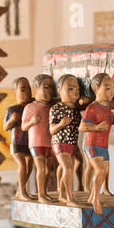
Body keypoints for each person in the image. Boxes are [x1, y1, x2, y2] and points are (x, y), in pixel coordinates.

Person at [79, 72, 114, 215]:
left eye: (112, 88)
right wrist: (96, 127)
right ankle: (95, 198)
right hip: (92, 145)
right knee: (100, 171)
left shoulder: (108, 110)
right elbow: (82, 127)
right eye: (107, 88)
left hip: (103, 147)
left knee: (104, 172)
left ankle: (93, 196)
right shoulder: (92, 108)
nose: (111, 91)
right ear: (96, 88)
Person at [21, 72, 56, 202]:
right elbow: (24, 126)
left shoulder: (51, 107)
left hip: (49, 141)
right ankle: (41, 194)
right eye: (47, 87)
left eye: (52, 88)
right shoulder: (30, 107)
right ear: (37, 87)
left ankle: (44, 192)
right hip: (36, 141)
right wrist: (32, 122)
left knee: (47, 168)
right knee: (41, 168)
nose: (50, 91)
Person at [49, 74, 82, 205]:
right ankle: (69, 198)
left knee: (67, 166)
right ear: (59, 90)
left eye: (77, 89)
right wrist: (61, 124)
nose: (75, 92)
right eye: (70, 88)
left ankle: (61, 192)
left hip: (72, 143)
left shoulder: (76, 110)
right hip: (60, 142)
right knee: (67, 168)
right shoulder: (56, 108)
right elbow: (51, 130)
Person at [5, 77, 34, 200]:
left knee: (30, 165)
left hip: (29, 141)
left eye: (28, 88)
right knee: (22, 165)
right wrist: (12, 120)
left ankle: (20, 190)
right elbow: (5, 126)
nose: (27, 92)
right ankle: (22, 191)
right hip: (17, 141)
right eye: (23, 89)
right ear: (15, 92)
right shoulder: (12, 109)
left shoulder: (32, 106)